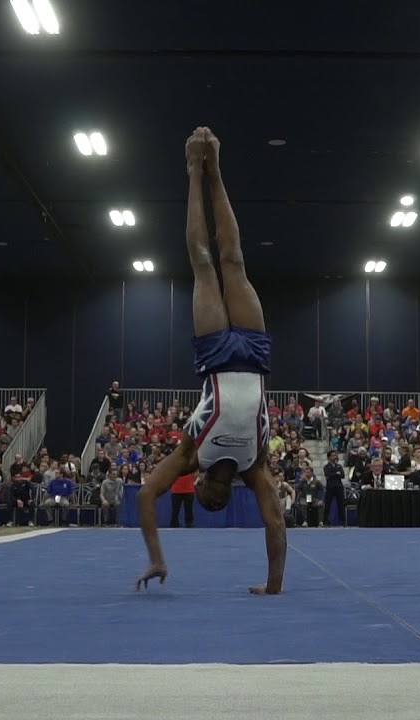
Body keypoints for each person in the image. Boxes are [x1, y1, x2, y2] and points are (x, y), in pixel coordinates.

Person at [134, 127, 287, 595]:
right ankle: (213, 172)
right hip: (255, 356)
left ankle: (193, 174)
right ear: (227, 491)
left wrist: (158, 557)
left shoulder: (191, 454)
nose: (213, 491)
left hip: (216, 357)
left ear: (196, 484)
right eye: (219, 496)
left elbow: (145, 495)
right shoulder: (254, 465)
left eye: (207, 494)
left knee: (204, 261)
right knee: (234, 260)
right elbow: (276, 522)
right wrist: (274, 586)